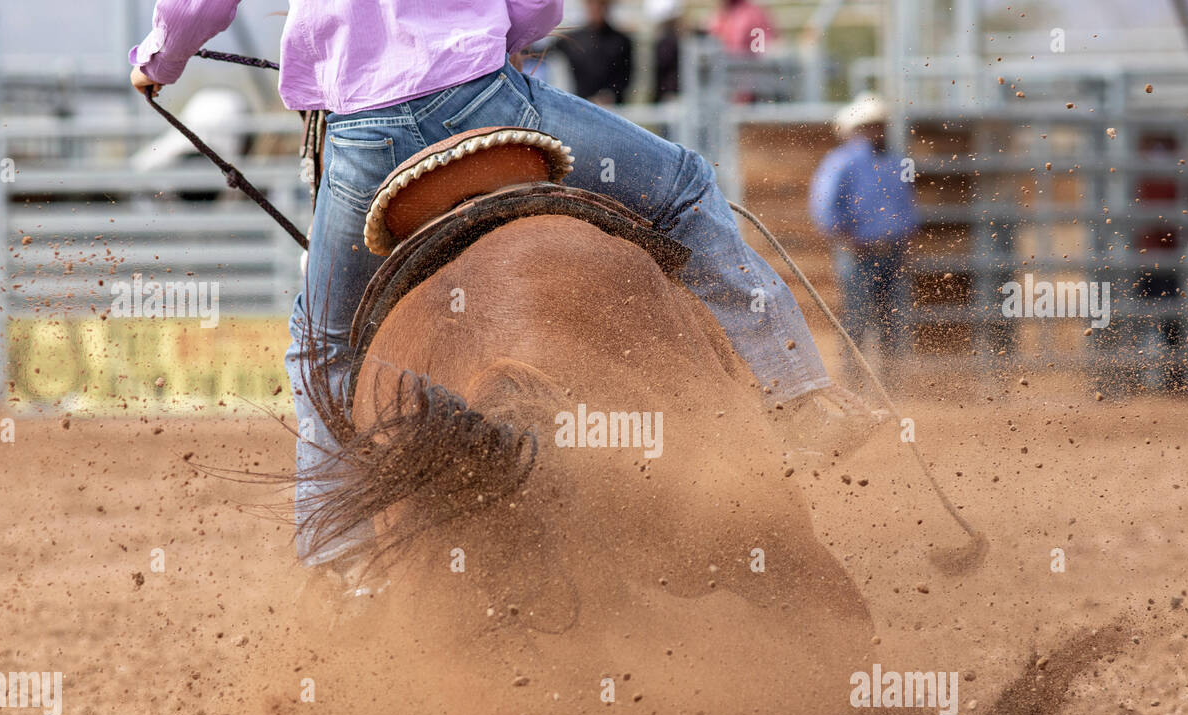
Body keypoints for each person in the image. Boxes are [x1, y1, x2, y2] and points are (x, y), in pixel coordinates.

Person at [129, 0, 839, 587]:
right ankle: (798, 391)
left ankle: (339, 558)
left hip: (361, 135)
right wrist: (513, 32)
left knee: (323, 347)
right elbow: (535, 9)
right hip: (485, 97)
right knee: (684, 186)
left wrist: (160, 58)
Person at [808, 91, 918, 384]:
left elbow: (907, 205)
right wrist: (847, 238)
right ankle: (854, 385)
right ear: (856, 129)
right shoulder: (841, 162)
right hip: (858, 252)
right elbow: (825, 209)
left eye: (880, 125)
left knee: (892, 322)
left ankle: (892, 385)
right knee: (857, 321)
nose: (877, 131)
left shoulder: (896, 162)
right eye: (870, 125)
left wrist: (906, 237)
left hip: (893, 252)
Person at [553, 0, 632, 105]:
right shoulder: (571, 40)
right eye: (592, 4)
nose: (596, 8)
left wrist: (609, 95)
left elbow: (625, 77)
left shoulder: (621, 41)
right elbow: (546, 56)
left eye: (601, 4)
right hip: (577, 105)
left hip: (611, 108)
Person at [708, 0, 773, 57]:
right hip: (727, 65)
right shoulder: (720, 15)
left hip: (748, 65)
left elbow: (764, 49)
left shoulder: (753, 14)